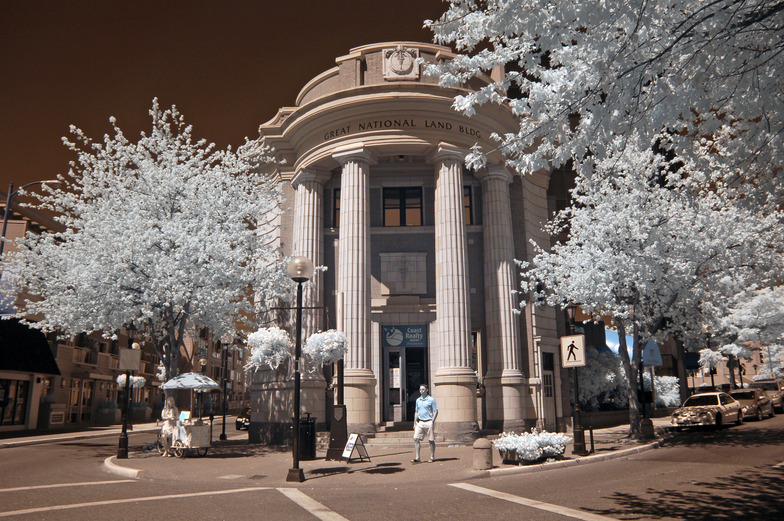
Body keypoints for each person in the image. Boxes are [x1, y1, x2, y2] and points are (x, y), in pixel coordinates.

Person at [412, 384, 438, 463]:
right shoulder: (418, 400)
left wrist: (432, 421)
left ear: (427, 390)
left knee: (431, 440)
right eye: (420, 389)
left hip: (429, 421)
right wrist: (414, 423)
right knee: (416, 438)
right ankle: (417, 457)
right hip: (420, 422)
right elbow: (416, 412)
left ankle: (432, 456)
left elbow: (436, 411)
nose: (421, 391)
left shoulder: (431, 400)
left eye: (423, 389)